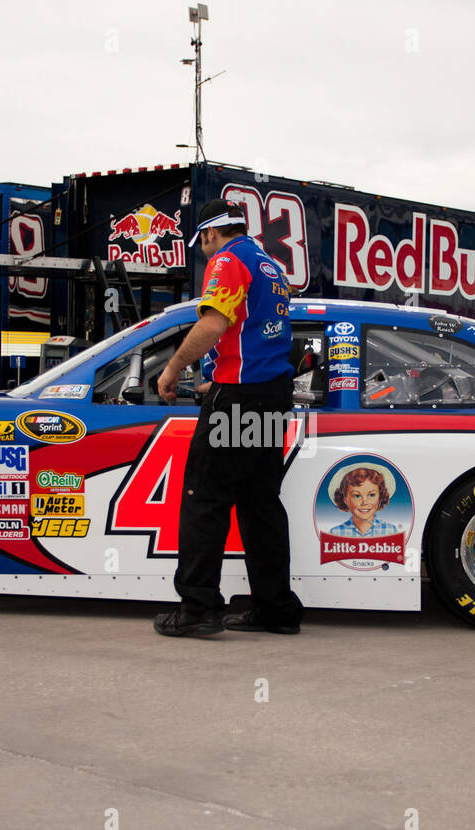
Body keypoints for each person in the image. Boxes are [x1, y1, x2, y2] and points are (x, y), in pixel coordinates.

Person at [152, 198, 304, 638]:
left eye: (202, 240)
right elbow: (254, 335)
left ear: (210, 233)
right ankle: (275, 608)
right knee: (261, 506)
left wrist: (173, 367)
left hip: (238, 401)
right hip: (271, 396)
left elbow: (213, 325)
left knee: (206, 500)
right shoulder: (269, 265)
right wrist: (216, 377)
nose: (204, 248)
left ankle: (198, 608)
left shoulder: (227, 259)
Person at [328, 465, 401, 537]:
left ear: (380, 497)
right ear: (345, 500)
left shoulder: (391, 531)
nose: (365, 502)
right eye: (357, 496)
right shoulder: (335, 533)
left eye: (371, 495)